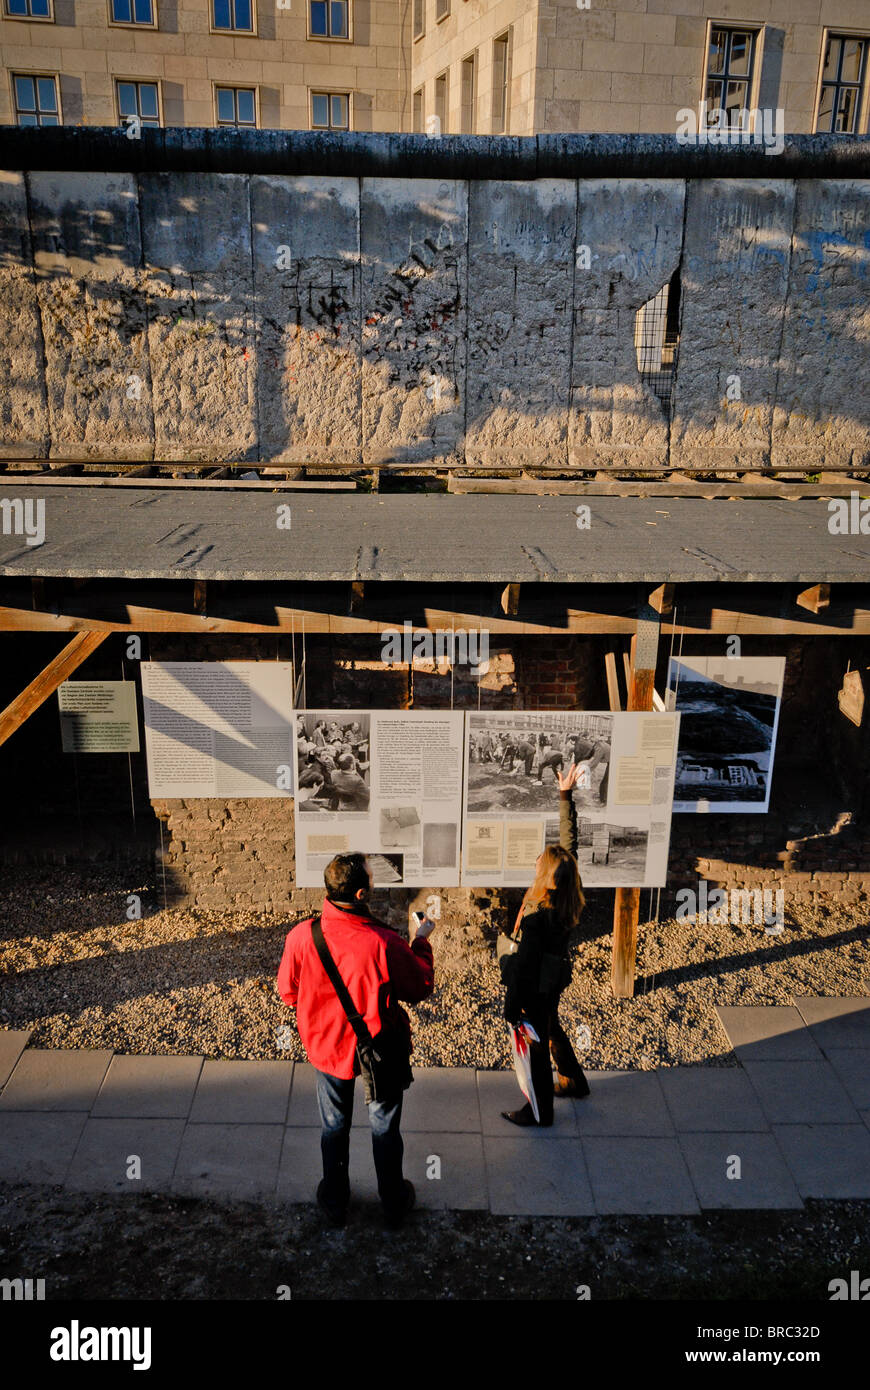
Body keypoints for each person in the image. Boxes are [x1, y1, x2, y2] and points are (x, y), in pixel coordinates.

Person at [277, 852, 436, 1228]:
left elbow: (287, 992)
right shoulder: (383, 943)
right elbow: (419, 986)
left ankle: (334, 1200)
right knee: (384, 1127)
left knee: (333, 1127)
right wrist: (421, 942)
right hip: (378, 1049)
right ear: (362, 894)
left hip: (327, 1048)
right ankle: (394, 1201)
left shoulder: (302, 936)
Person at [501, 762, 589, 1127]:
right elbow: (569, 846)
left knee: (536, 1043)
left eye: (542, 858)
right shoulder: (566, 887)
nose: (538, 857)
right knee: (550, 1025)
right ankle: (572, 1079)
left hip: (535, 983)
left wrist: (512, 1006)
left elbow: (523, 967)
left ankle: (538, 1112)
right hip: (552, 978)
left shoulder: (540, 915)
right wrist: (565, 796)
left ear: (547, 874)